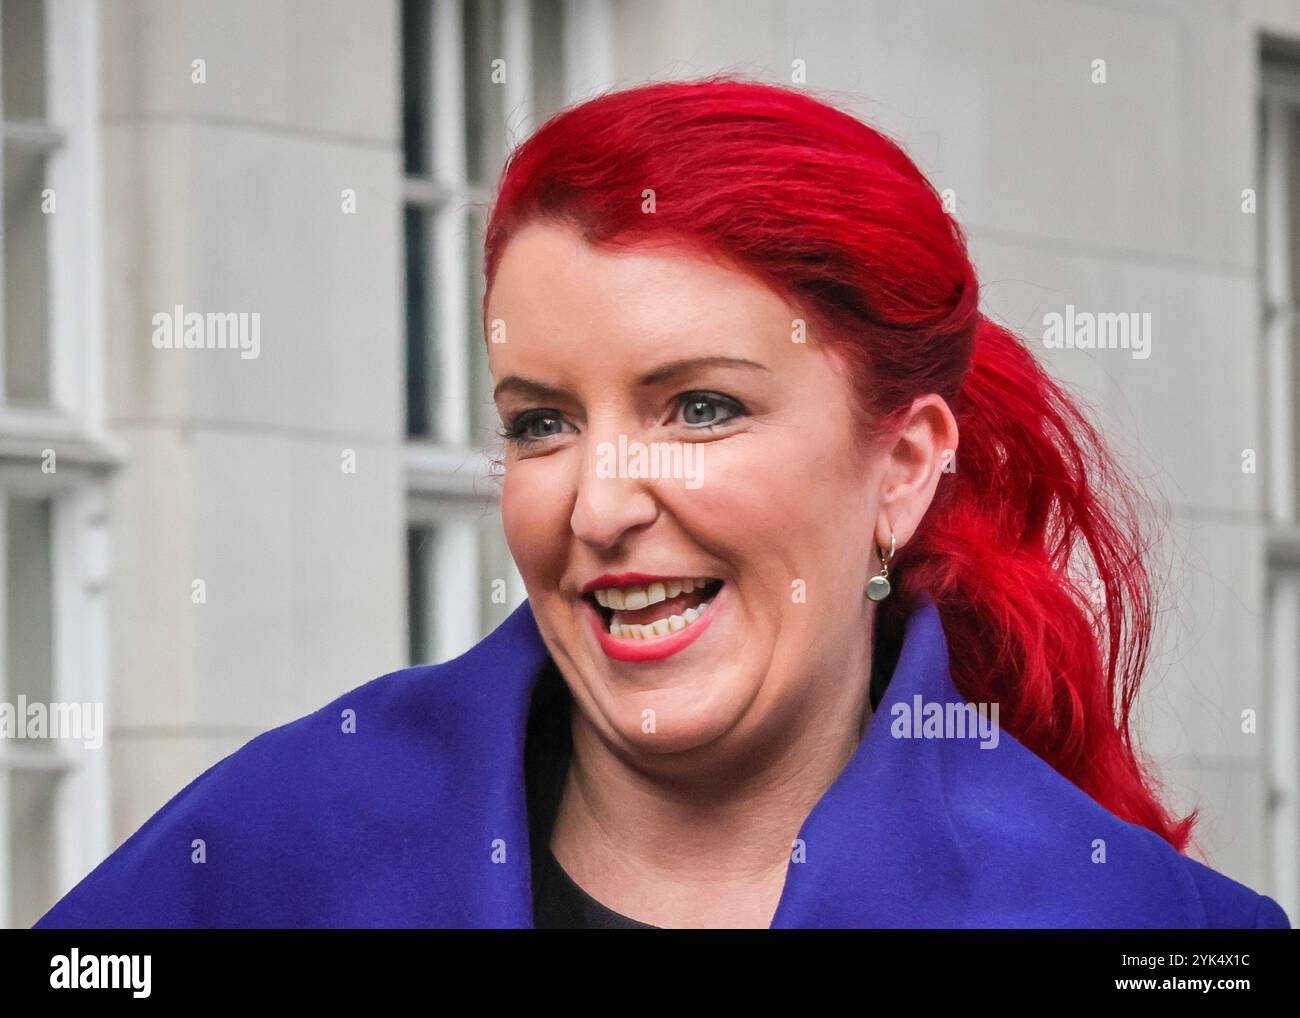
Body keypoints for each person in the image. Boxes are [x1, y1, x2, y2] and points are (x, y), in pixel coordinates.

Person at [34, 77, 1290, 929]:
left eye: (698, 407)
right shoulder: (273, 846)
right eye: (541, 422)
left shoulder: (1144, 927)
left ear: (902, 466)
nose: (598, 503)